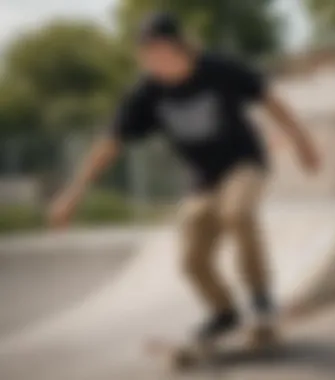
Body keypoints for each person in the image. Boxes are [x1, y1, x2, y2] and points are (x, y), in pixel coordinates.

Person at [49, 12, 320, 345]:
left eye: (161, 52)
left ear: (181, 48)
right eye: (147, 55)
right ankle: (225, 313)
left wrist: (301, 140)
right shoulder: (145, 93)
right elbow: (109, 144)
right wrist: (73, 192)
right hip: (203, 179)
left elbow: (268, 98)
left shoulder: (218, 69)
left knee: (237, 212)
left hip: (244, 163)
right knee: (191, 259)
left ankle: (261, 299)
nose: (155, 62)